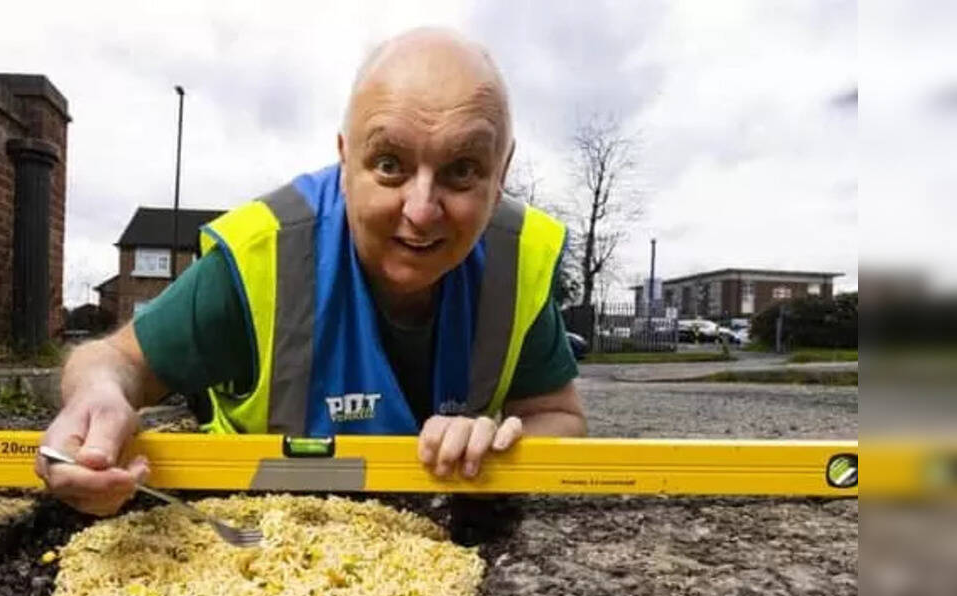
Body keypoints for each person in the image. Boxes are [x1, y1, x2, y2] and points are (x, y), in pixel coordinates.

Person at [36, 27, 587, 516]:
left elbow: (560, 417)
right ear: (345, 161)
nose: (421, 210)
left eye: (462, 171)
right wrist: (97, 400)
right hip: (255, 552)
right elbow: (112, 359)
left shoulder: (518, 260)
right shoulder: (261, 259)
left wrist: (498, 446)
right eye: (389, 165)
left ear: (502, 172)